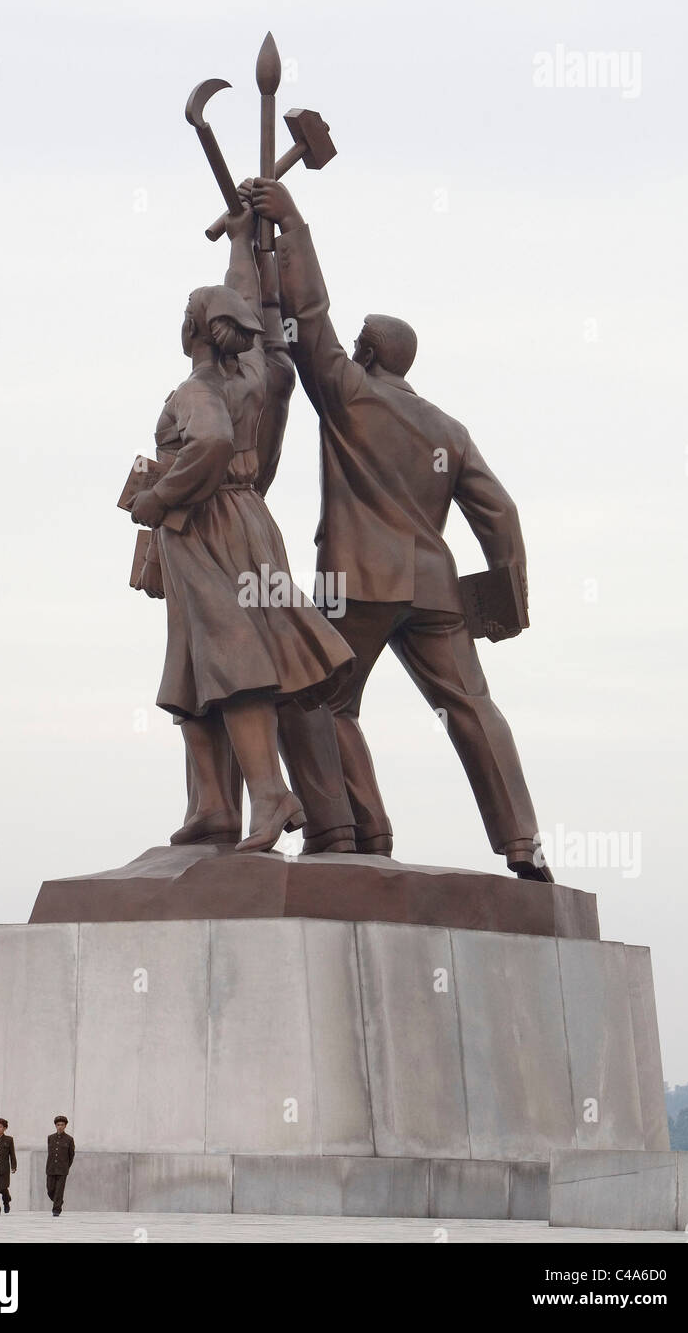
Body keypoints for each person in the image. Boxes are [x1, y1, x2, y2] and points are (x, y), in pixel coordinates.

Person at [249, 178, 552, 880]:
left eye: (357, 346)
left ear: (371, 354)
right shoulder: (447, 427)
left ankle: (347, 835)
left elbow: (309, 314)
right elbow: (499, 514)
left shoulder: (351, 395)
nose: (348, 352)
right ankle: (524, 845)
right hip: (437, 591)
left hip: (362, 582)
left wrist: (291, 224)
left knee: (308, 695)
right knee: (473, 709)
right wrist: (501, 606)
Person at [131, 199, 354, 852]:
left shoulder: (194, 393)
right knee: (196, 667)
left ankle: (269, 793)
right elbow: (246, 302)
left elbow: (208, 445)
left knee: (231, 660)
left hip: (206, 526)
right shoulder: (252, 374)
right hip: (247, 521)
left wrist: (158, 497)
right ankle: (211, 808)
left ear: (194, 330)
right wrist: (240, 238)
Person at [46, 1115, 75, 1216]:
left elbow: (71, 1156)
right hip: (50, 1168)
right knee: (50, 1190)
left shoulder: (69, 1139)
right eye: (58, 1125)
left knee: (59, 1190)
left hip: (62, 1170)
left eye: (62, 1125)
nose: (60, 1127)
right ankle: (58, 1202)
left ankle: (56, 1210)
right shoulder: (50, 1138)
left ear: (65, 1126)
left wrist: (66, 1166)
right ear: (55, 1125)